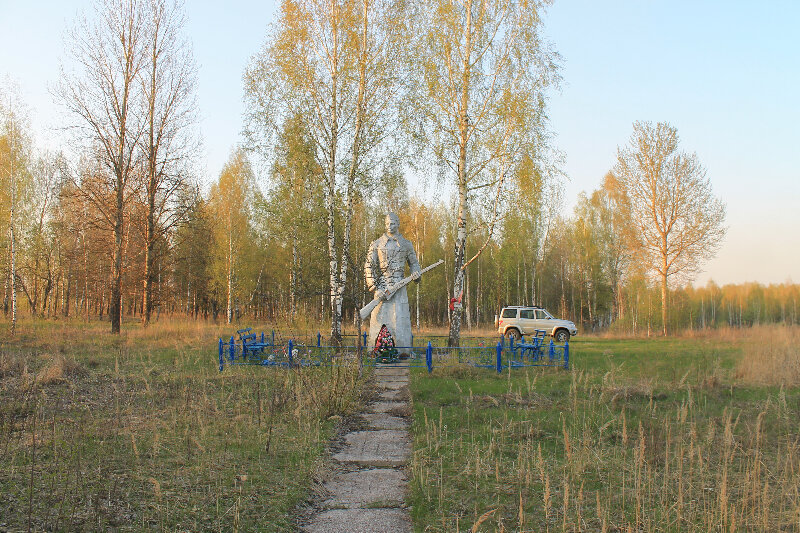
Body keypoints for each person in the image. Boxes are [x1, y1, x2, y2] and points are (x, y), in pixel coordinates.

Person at [365, 213, 421, 355]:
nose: (389, 226)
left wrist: (416, 274)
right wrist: (374, 288)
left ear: (398, 223)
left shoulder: (406, 244)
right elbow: (369, 267)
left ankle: (403, 351)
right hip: (382, 287)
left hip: (400, 287)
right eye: (387, 223)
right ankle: (376, 351)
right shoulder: (376, 244)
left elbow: (414, 263)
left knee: (400, 320)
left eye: (393, 223)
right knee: (379, 321)